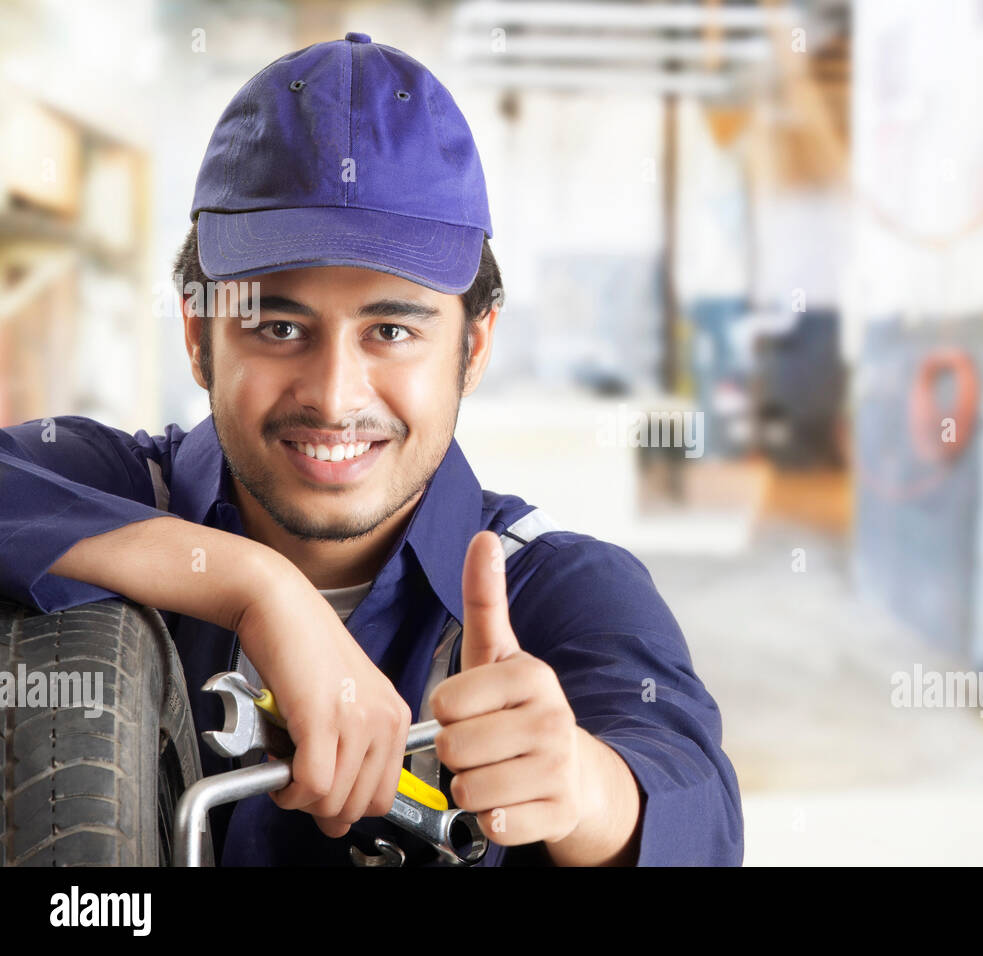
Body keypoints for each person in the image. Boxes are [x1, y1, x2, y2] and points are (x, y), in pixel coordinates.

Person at [0, 32, 742, 866]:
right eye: (278, 327)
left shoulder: (554, 590)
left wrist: (579, 786)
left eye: (391, 330)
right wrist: (257, 589)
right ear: (198, 334)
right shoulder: (106, 487)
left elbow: (697, 810)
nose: (334, 394)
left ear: (476, 344)